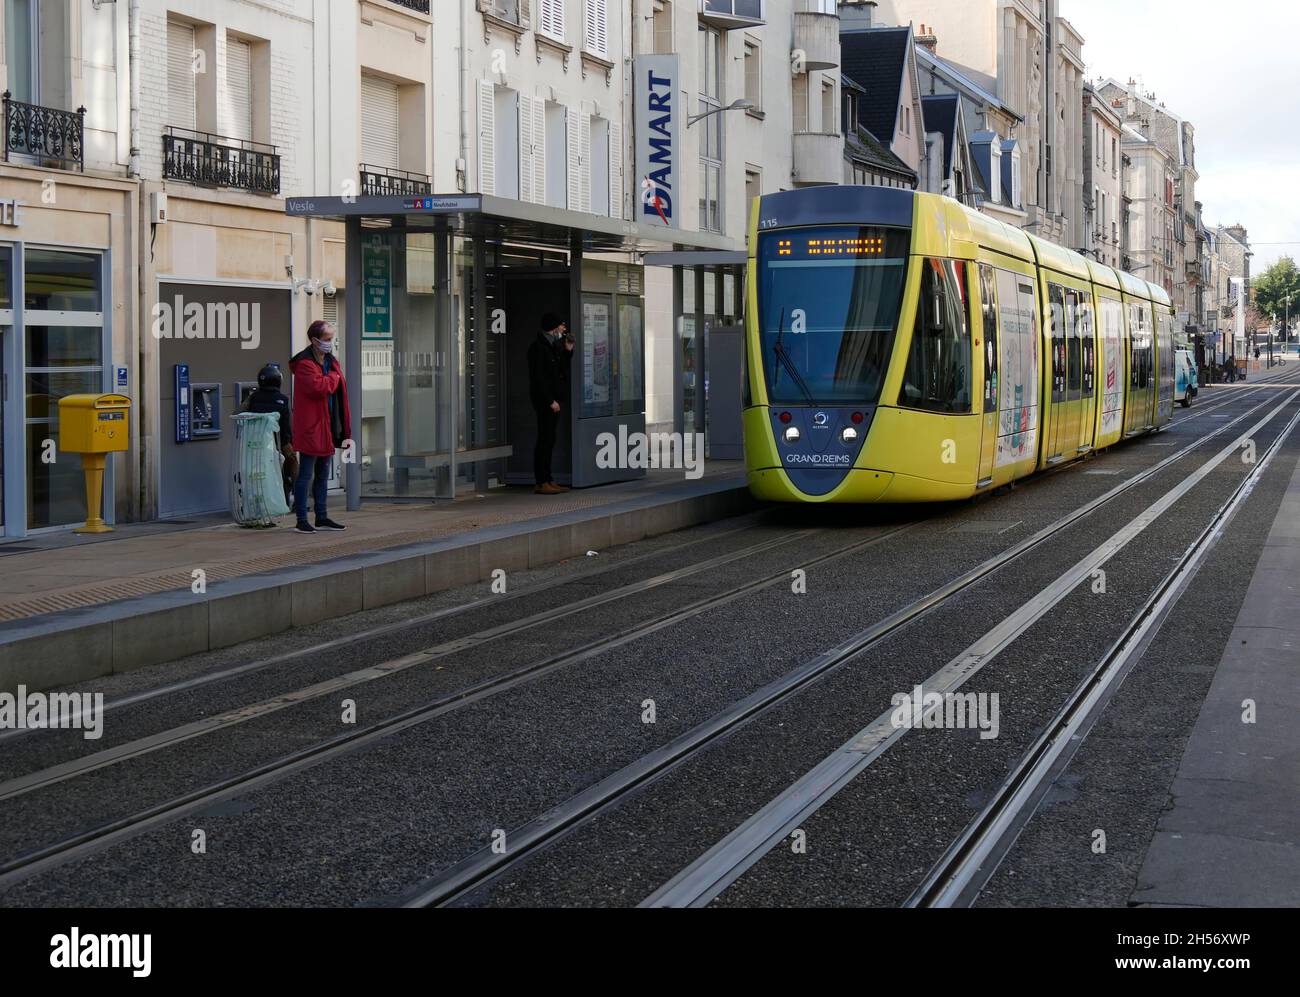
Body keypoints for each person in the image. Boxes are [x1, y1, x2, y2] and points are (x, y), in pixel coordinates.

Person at [289, 319, 351, 533]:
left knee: (323, 473)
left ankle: (322, 516)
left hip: (328, 424)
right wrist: (333, 378)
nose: (330, 343)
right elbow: (320, 387)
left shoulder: (331, 361)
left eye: (331, 339)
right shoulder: (305, 364)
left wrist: (331, 378)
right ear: (314, 340)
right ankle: (301, 518)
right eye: (327, 339)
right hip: (312, 426)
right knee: (306, 474)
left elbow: (332, 385)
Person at [527, 312, 574, 495]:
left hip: (553, 400)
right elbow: (538, 379)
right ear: (553, 327)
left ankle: (548, 479)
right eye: (561, 325)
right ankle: (541, 481)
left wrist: (568, 351)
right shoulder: (538, 348)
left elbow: (561, 370)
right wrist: (550, 401)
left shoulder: (552, 346)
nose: (564, 329)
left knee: (549, 439)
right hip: (545, 402)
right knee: (545, 440)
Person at [245, 363, 296, 504]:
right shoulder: (283, 399)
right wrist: (288, 443)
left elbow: (240, 414)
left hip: (257, 443)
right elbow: (285, 425)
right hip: (278, 442)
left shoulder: (253, 397)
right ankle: (297, 495)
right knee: (294, 462)